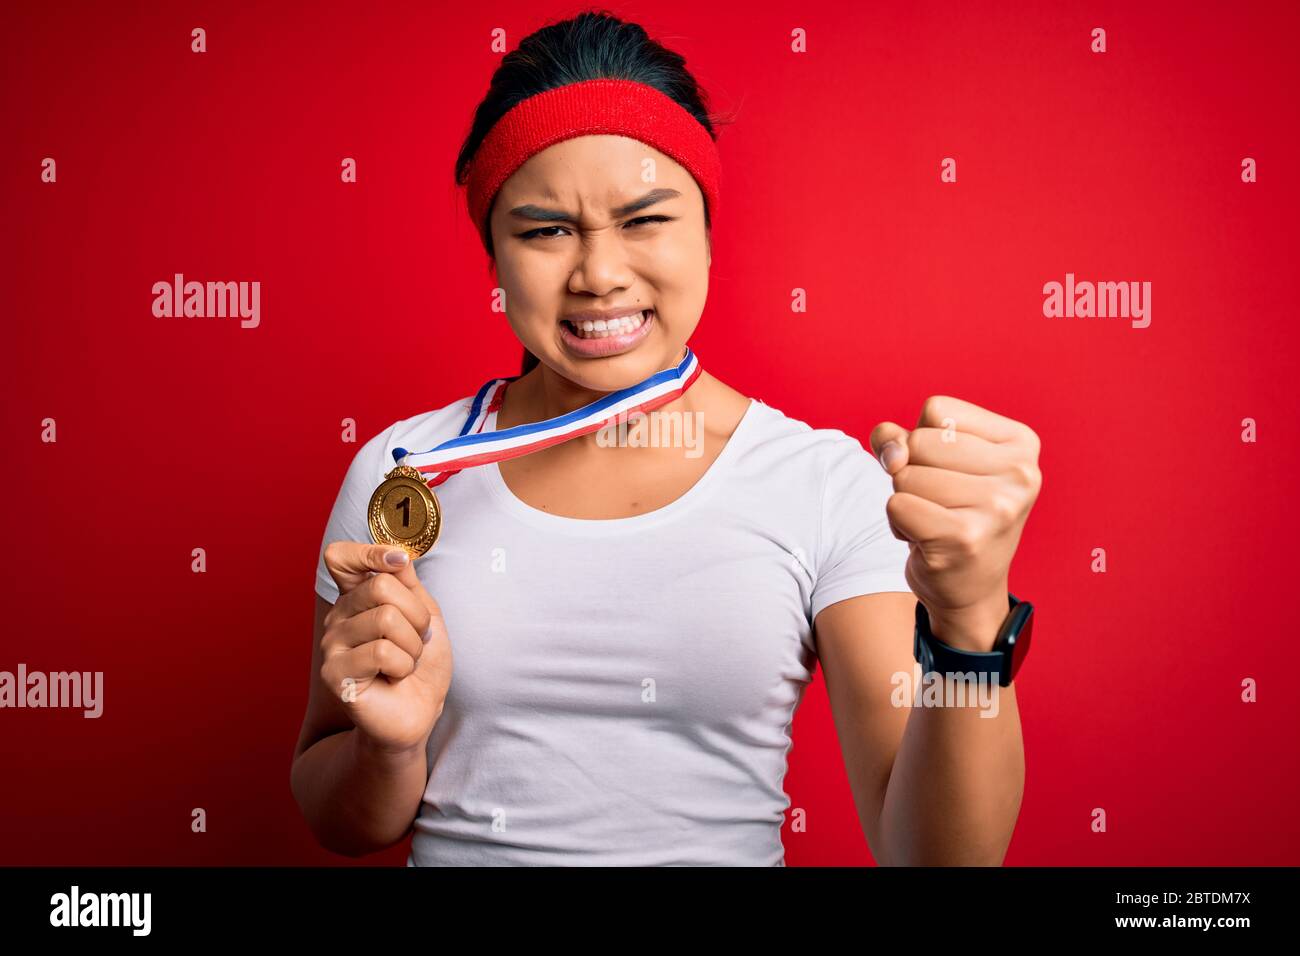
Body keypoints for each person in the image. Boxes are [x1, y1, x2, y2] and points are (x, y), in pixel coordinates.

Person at [290, 10, 1043, 866]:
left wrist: (970, 618)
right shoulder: (404, 476)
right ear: (494, 256)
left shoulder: (826, 484)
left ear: (710, 236)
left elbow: (936, 861)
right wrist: (387, 750)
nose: (600, 274)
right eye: (545, 230)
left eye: (646, 219)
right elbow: (337, 814)